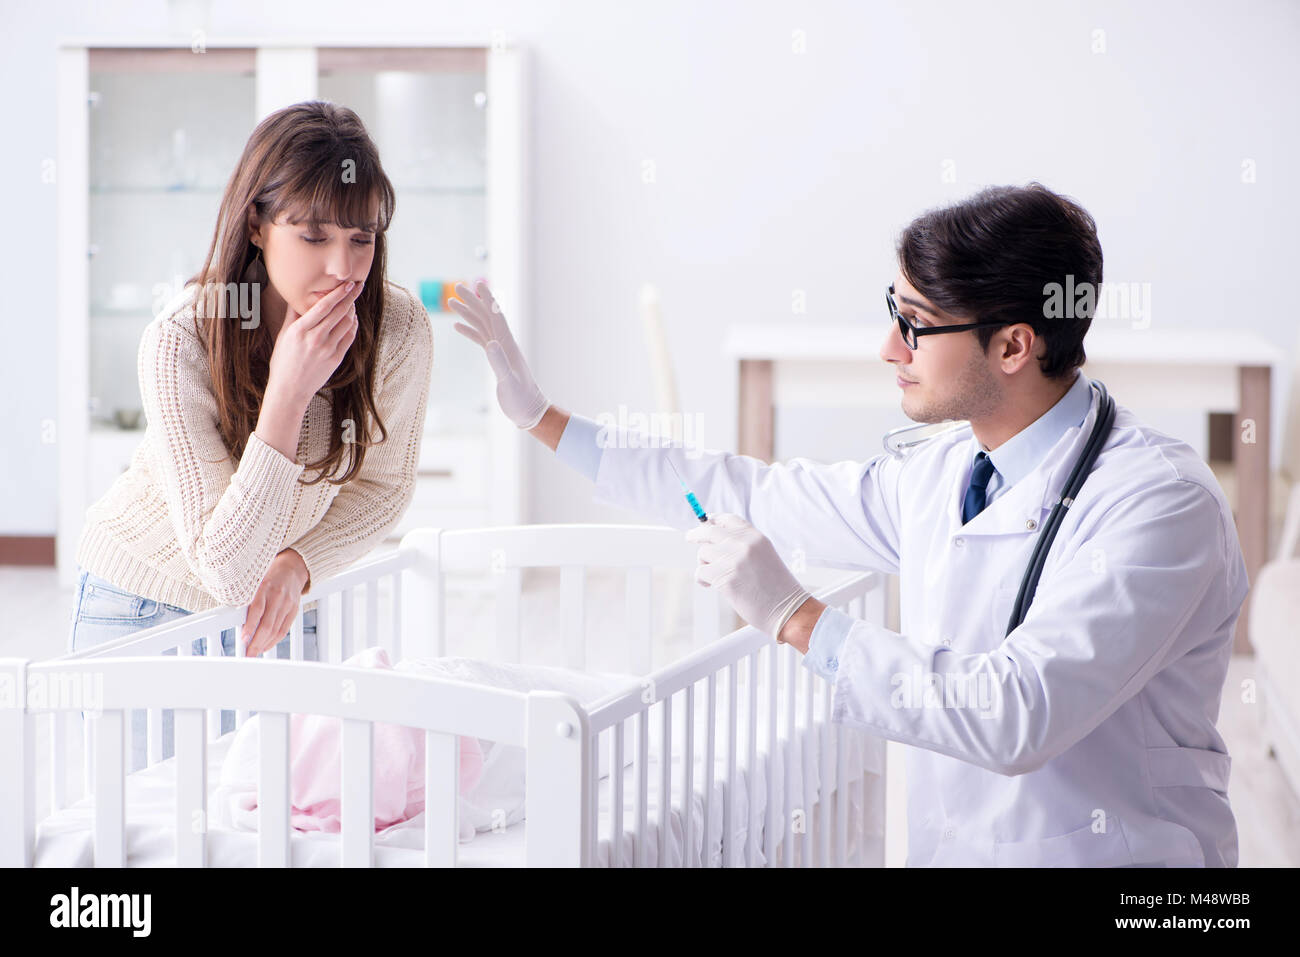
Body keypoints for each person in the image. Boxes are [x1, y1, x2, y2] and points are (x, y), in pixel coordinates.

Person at [450, 182, 1247, 867]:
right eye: (892, 315)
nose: (887, 348)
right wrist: (543, 418)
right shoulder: (943, 471)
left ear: (1013, 345)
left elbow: (1018, 712)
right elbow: (751, 490)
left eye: (917, 325)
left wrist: (800, 619)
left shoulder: (1158, 503)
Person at [70, 100, 434, 769]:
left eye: (363, 238)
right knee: (150, 839)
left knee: (272, 830)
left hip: (280, 603)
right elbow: (227, 568)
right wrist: (289, 392)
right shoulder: (180, 339)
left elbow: (385, 486)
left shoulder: (399, 329)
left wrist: (300, 564)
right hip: (145, 607)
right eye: (314, 236)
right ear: (259, 226)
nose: (343, 267)